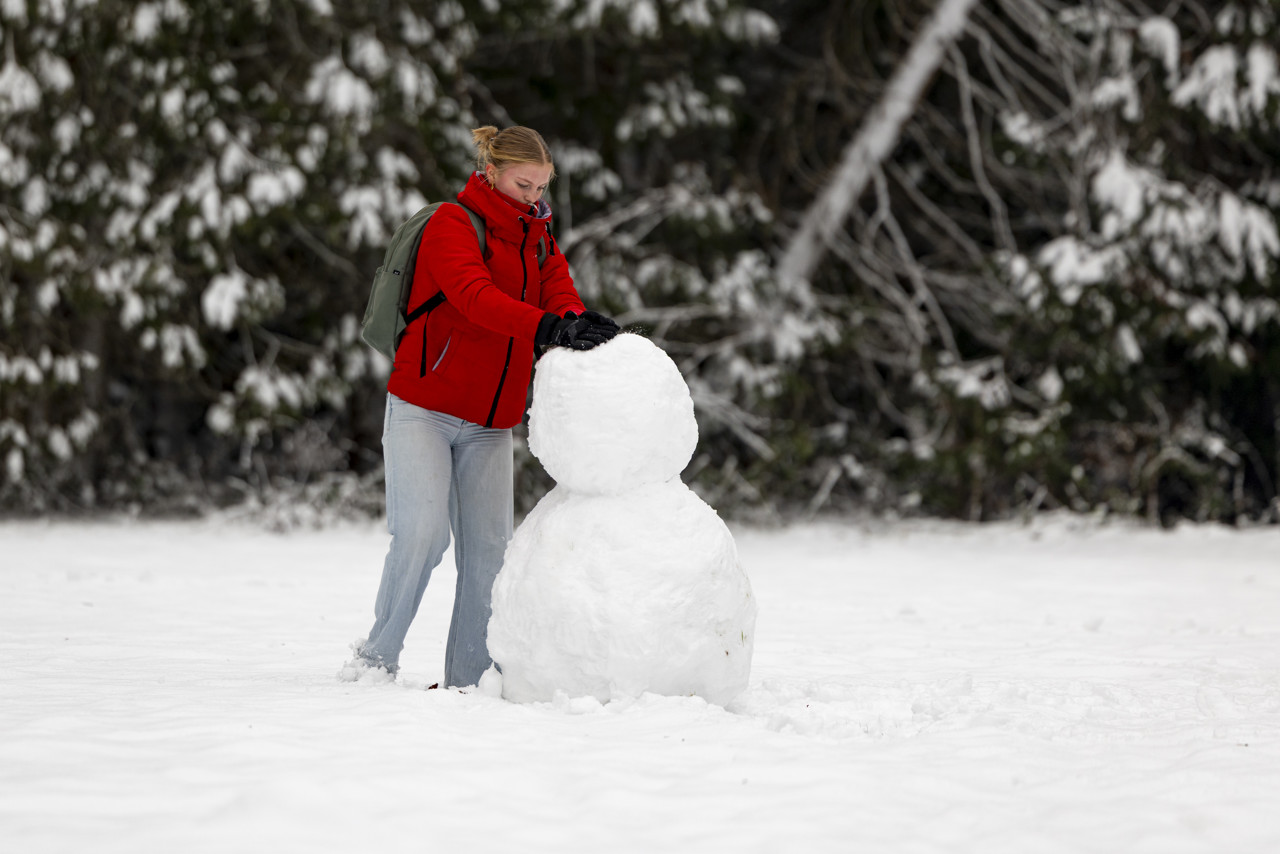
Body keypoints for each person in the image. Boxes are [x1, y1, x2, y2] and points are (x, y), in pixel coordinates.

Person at [342, 125, 619, 687]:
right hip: (424, 407)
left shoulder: (536, 235)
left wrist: (573, 320)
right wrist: (548, 327)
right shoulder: (452, 223)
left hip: (490, 423)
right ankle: (375, 661)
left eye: (541, 187)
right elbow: (474, 298)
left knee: (489, 555)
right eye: (524, 185)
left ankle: (470, 681)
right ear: (491, 171)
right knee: (421, 535)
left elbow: (556, 287)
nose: (534, 198)